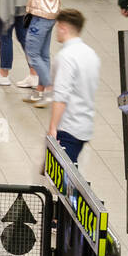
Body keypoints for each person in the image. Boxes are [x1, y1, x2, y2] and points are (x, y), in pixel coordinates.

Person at [47, 9, 100, 165]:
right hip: (85, 125)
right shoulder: (91, 54)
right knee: (69, 174)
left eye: (58, 27)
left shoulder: (66, 57)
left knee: (63, 182)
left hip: (68, 127)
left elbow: (61, 96)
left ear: (63, 27)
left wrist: (53, 128)